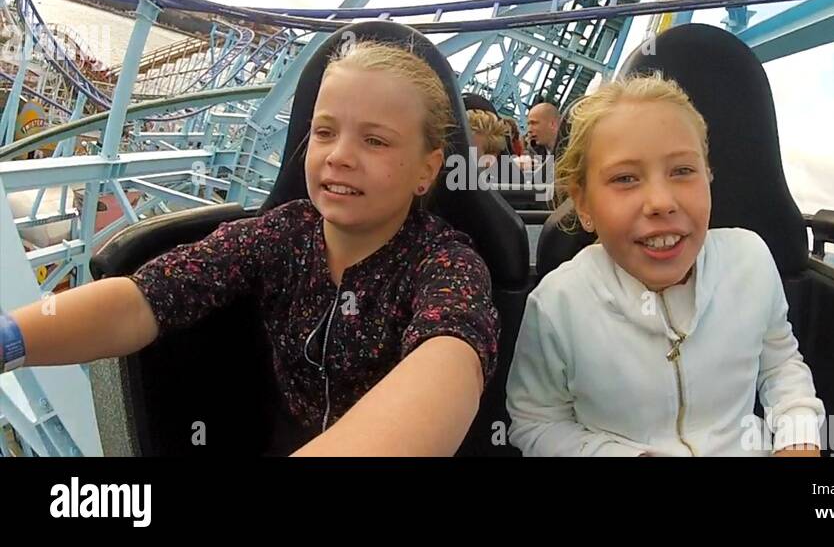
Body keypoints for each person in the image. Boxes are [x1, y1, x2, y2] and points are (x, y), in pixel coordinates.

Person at [1, 40, 500, 457]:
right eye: (325, 132)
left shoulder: (445, 264)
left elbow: (450, 363)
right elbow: (146, 298)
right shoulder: (281, 234)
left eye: (375, 141)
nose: (340, 156)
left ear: (426, 170)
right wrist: (15, 337)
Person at [506, 75, 824, 457]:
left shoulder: (750, 259)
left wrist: (798, 439)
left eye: (682, 171)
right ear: (584, 204)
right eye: (625, 178)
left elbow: (780, 366)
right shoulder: (558, 303)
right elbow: (536, 420)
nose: (660, 201)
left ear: (708, 176)